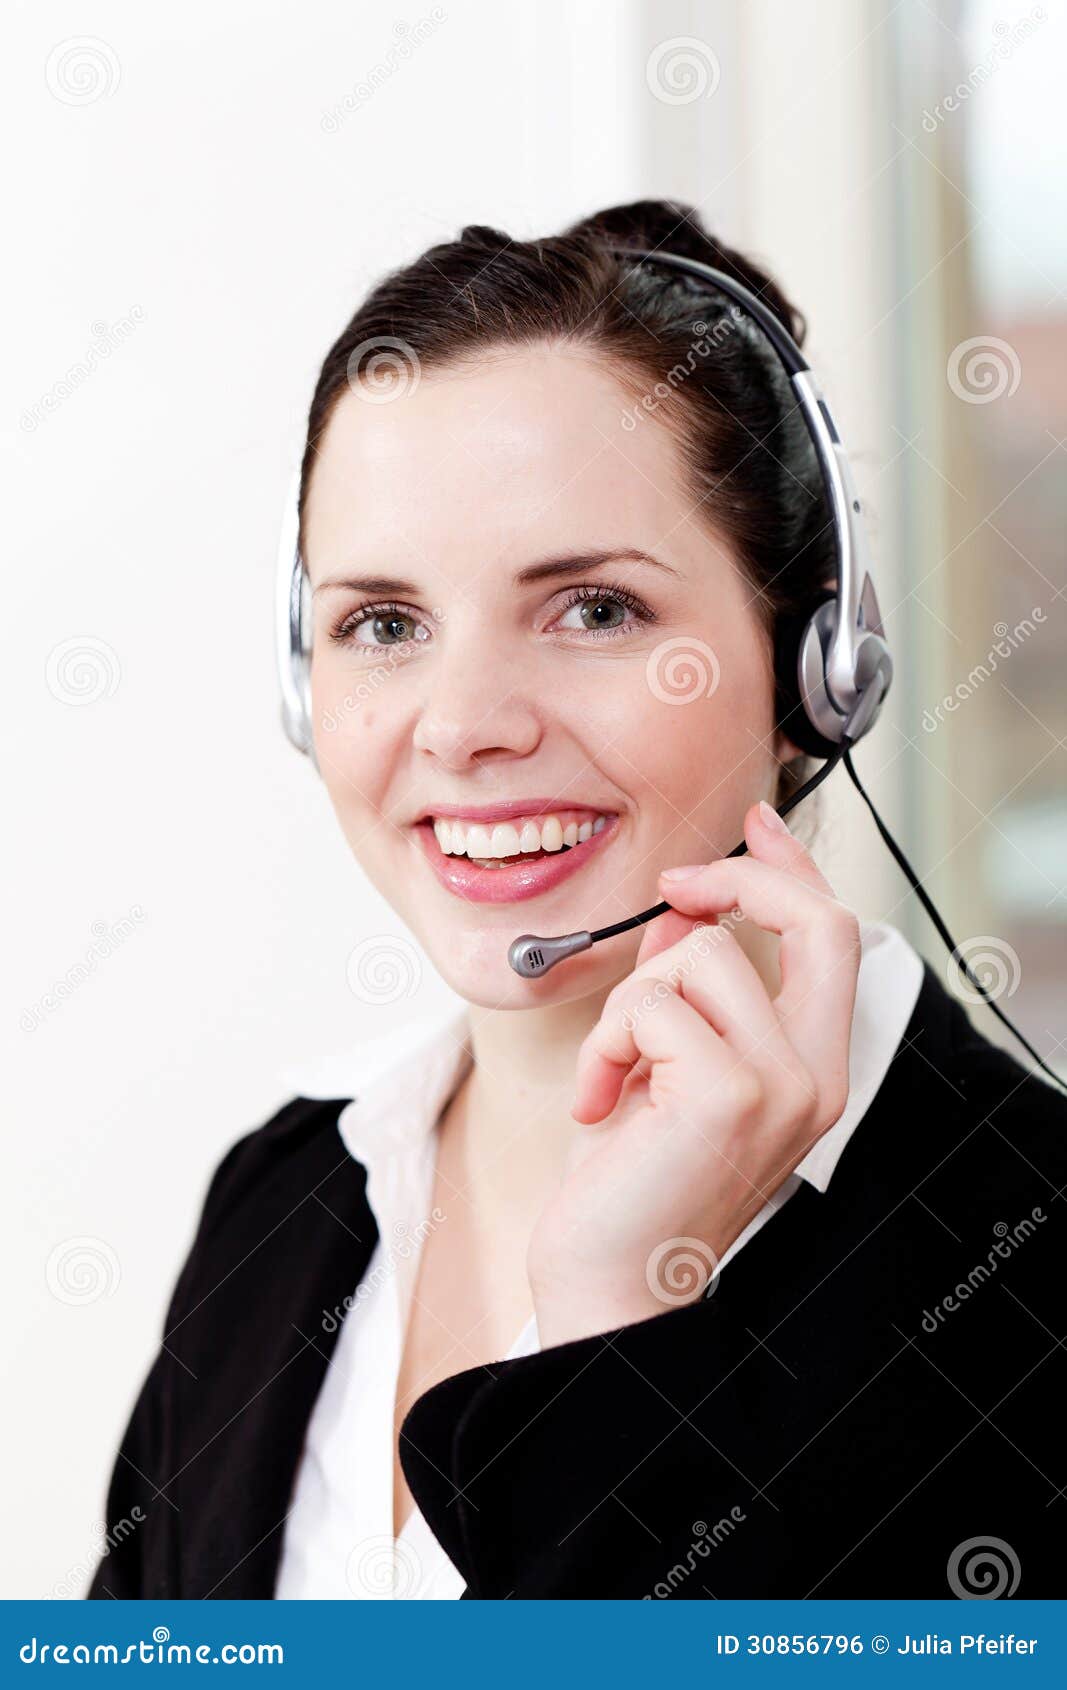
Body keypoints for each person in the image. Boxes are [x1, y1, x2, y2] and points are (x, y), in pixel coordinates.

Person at [88, 201, 1067, 1602]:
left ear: (816, 667)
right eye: (385, 623)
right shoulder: (284, 1203)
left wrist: (622, 1328)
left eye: (594, 608)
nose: (465, 724)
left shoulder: (1023, 1266)